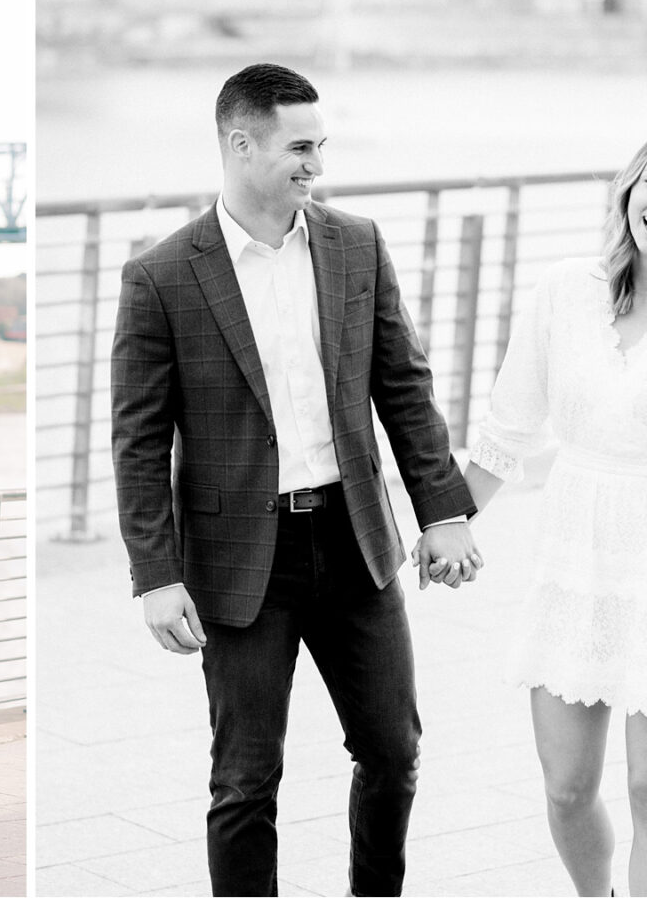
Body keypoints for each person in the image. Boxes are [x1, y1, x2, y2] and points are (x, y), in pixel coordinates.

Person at [110, 63, 481, 897]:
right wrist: (156, 576)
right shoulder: (162, 276)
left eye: (322, 145)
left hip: (355, 541)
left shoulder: (357, 244)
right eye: (301, 148)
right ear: (241, 145)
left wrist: (443, 512)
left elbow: (404, 386)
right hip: (241, 559)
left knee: (394, 750)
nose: (317, 164)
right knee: (245, 779)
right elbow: (138, 442)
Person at [435, 128, 647, 896]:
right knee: (566, 787)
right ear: (629, 189)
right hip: (575, 556)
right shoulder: (564, 290)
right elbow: (506, 431)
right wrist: (447, 524)